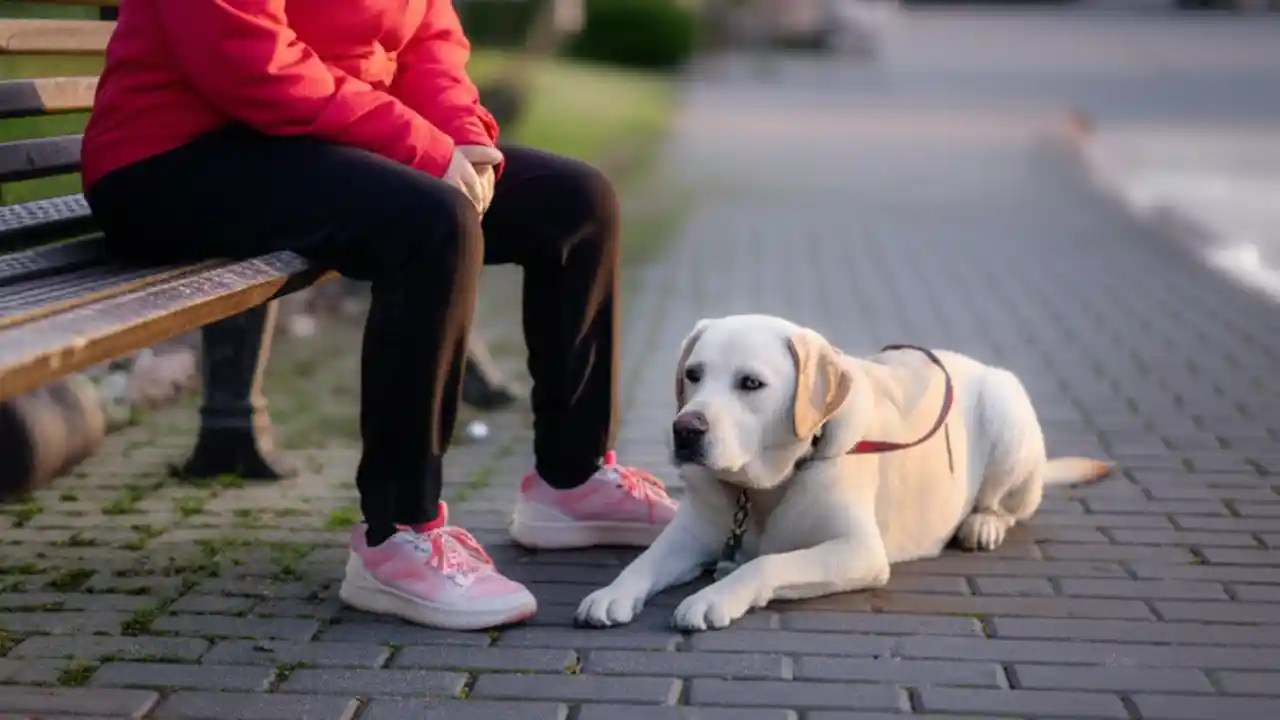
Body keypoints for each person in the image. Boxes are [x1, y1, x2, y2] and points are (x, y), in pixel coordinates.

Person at [82, 0, 677, 630]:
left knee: (575, 203)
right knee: (430, 223)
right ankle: (398, 536)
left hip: (313, 141)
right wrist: (420, 148)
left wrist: (465, 140)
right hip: (172, 161)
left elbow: (430, 42)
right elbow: (248, 61)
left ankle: (573, 482)